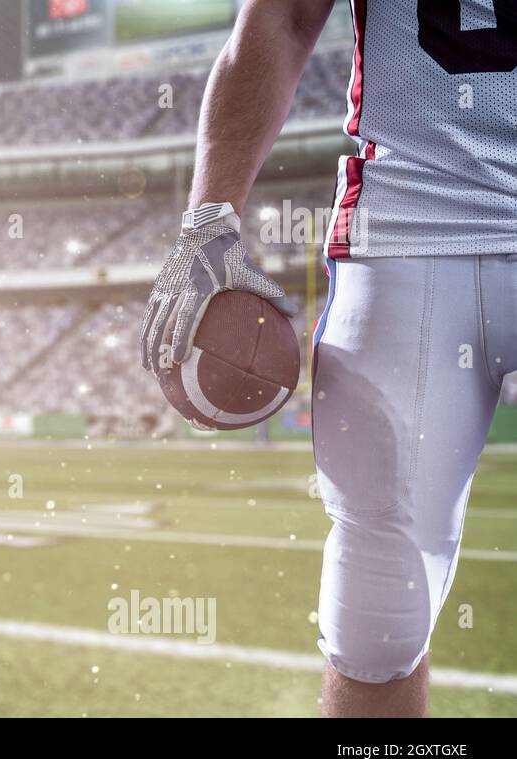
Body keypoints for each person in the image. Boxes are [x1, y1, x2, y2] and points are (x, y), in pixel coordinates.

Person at [138, 0, 517, 717]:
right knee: (378, 615)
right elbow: (282, 15)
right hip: (409, 224)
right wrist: (208, 217)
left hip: (406, 232)